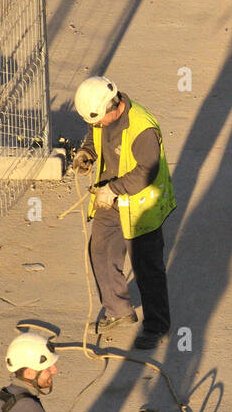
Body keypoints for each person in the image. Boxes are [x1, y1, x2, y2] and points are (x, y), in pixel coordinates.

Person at [70, 76, 175, 352]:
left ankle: (156, 325)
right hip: (111, 198)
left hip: (142, 207)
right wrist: (86, 153)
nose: (93, 126)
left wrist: (113, 189)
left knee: (147, 268)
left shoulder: (142, 128)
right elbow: (96, 138)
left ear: (109, 108)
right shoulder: (103, 118)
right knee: (101, 251)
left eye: (95, 121)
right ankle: (118, 310)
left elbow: (147, 172)